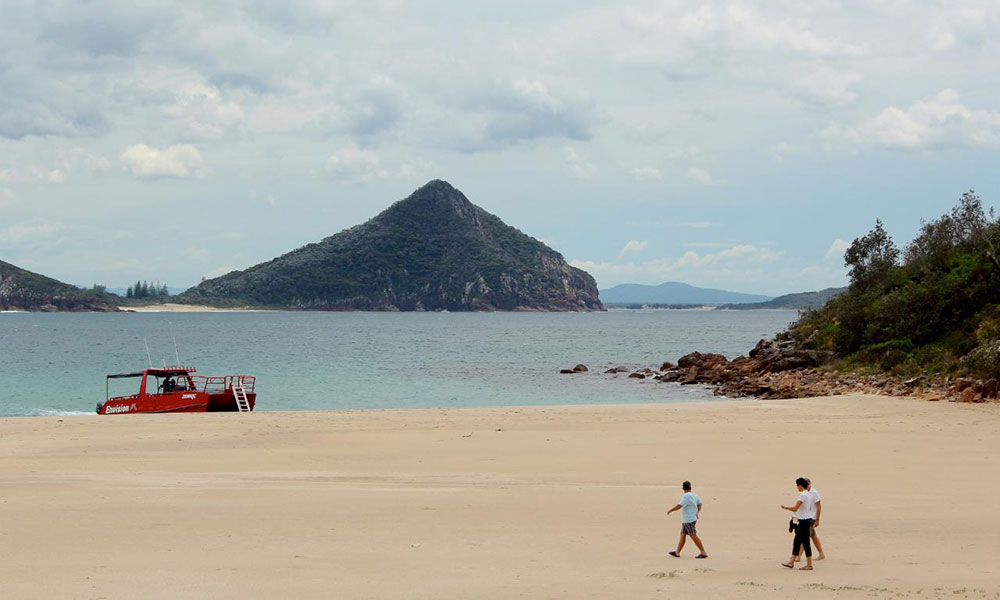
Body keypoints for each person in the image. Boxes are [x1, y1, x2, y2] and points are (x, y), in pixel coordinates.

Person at [781, 477, 816, 570]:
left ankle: (809, 564)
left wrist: (785, 507)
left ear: (800, 486)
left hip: (804, 521)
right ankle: (791, 561)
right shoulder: (808, 494)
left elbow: (795, 508)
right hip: (806, 520)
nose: (797, 487)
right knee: (798, 541)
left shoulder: (803, 495)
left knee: (805, 543)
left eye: (797, 485)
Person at [667, 480, 708, 559]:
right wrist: (697, 513)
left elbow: (680, 506)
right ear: (690, 487)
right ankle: (677, 552)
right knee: (682, 534)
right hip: (690, 518)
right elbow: (699, 504)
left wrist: (671, 510)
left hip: (688, 520)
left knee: (693, 535)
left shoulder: (686, 496)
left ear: (683, 488)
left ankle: (703, 552)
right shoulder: (694, 495)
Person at [795, 478, 825, 562]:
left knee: (805, 536)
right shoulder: (805, 493)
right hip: (807, 517)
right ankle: (821, 553)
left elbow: (819, 505)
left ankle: (798, 556)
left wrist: (817, 519)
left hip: (811, 518)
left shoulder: (814, 492)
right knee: (813, 536)